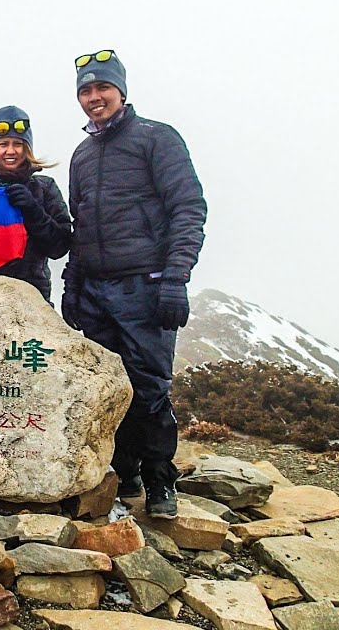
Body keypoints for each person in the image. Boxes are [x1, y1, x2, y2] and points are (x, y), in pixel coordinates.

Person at [61, 50, 207, 519]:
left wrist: (175, 280)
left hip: (145, 286)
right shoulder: (82, 155)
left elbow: (189, 209)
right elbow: (80, 225)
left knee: (148, 388)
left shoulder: (155, 139)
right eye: (85, 90)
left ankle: (161, 481)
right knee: (111, 389)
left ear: (121, 91)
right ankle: (124, 475)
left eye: (102, 88)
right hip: (97, 291)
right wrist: (73, 285)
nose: (93, 97)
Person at [0, 105, 72, 301]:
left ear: (27, 148)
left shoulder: (45, 188)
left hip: (33, 298)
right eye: (3, 144)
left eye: (17, 144)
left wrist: (33, 211)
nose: (10, 151)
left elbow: (59, 248)